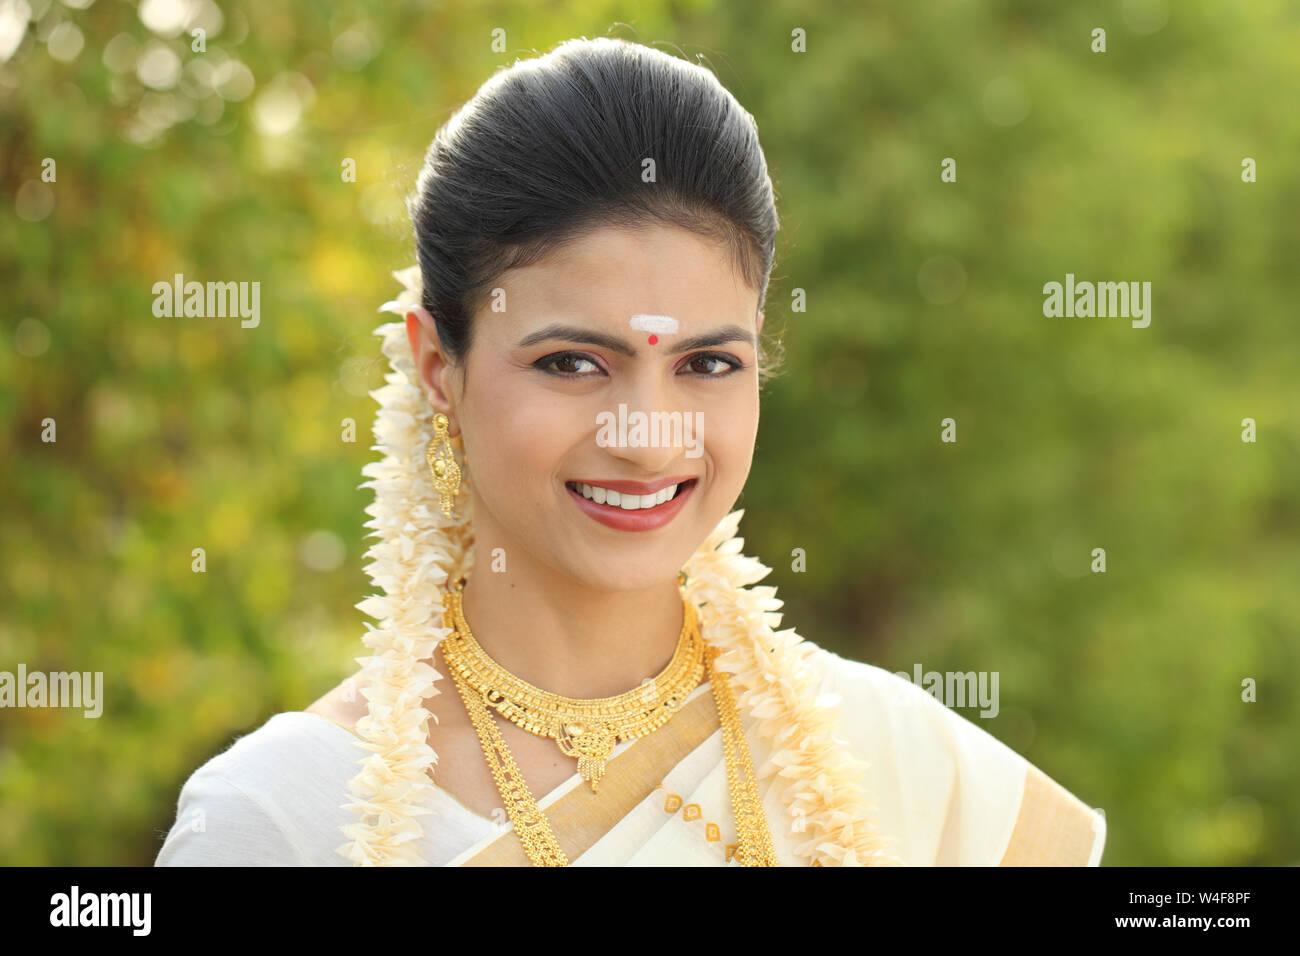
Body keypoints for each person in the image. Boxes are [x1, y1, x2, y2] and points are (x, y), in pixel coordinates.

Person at [156, 36, 1104, 867]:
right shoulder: (282, 820)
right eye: (572, 362)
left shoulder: (895, 763)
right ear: (439, 367)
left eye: (706, 362)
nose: (649, 438)